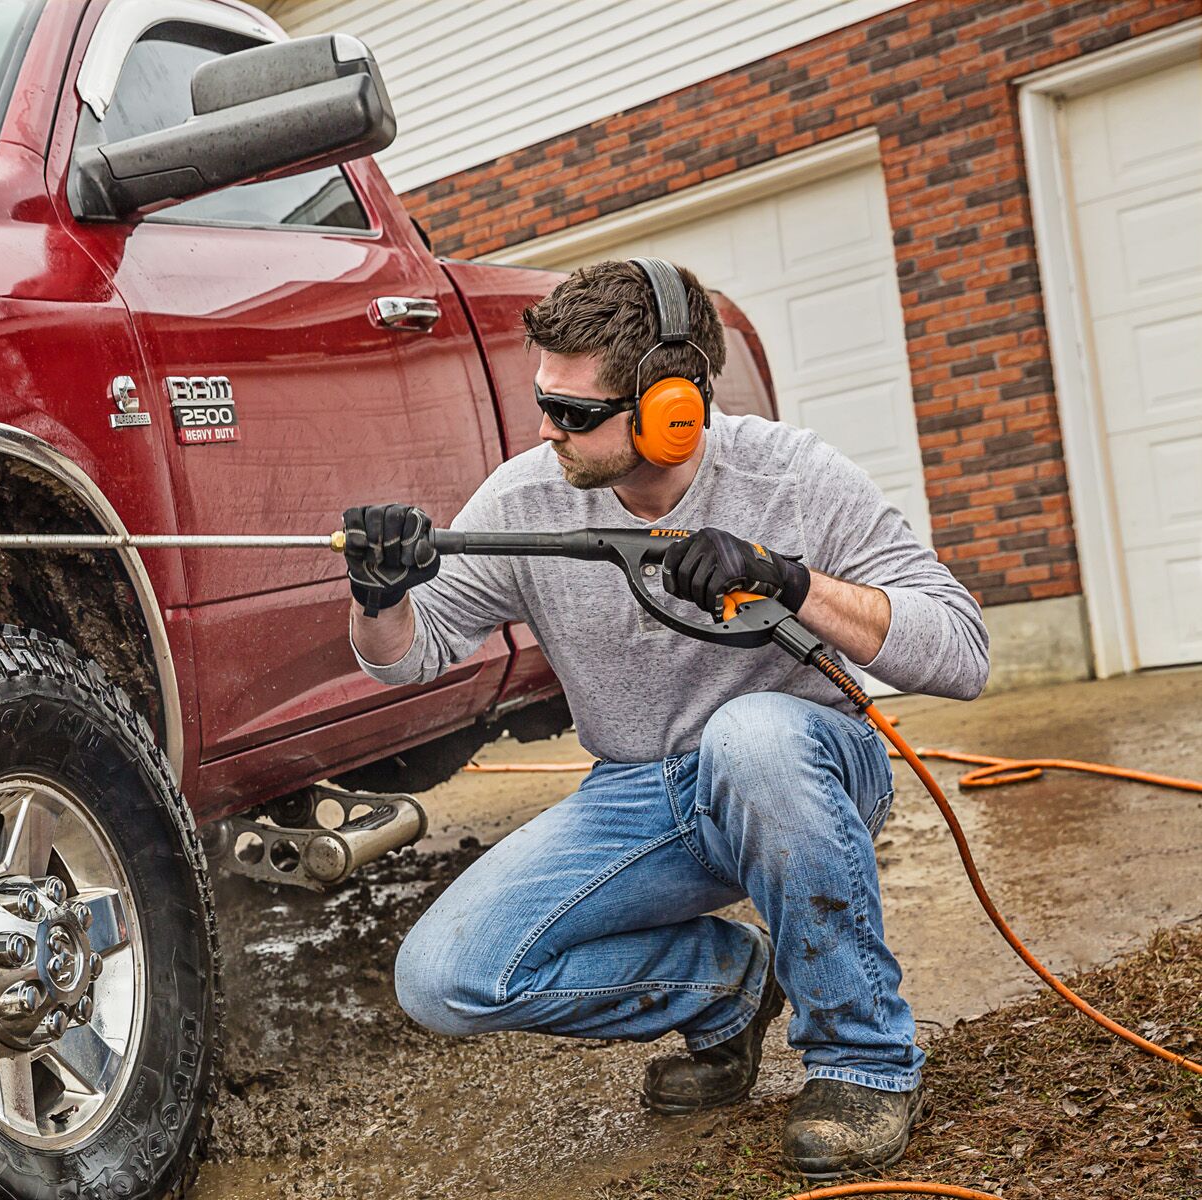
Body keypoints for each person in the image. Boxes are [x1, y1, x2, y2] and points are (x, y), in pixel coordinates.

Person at [342, 259, 989, 1179]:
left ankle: (865, 1061)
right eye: (542, 402)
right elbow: (414, 652)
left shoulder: (792, 476)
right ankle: (729, 988)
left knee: (750, 736)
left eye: (573, 413)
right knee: (444, 978)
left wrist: (788, 581)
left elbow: (962, 651)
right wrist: (380, 598)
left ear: (673, 409)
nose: (546, 430)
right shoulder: (530, 495)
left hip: (800, 766)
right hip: (637, 793)